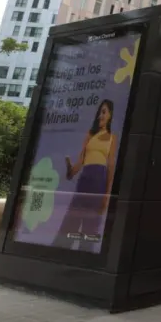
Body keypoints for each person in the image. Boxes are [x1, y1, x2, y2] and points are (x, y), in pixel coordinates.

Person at [52, 100, 118, 249]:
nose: (101, 115)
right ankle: (61, 251)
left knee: (91, 225)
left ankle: (85, 252)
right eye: (100, 112)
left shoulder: (112, 138)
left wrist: (107, 196)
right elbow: (81, 161)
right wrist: (70, 171)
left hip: (99, 181)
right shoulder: (90, 134)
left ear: (110, 115)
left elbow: (111, 166)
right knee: (72, 220)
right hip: (85, 178)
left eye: (104, 112)